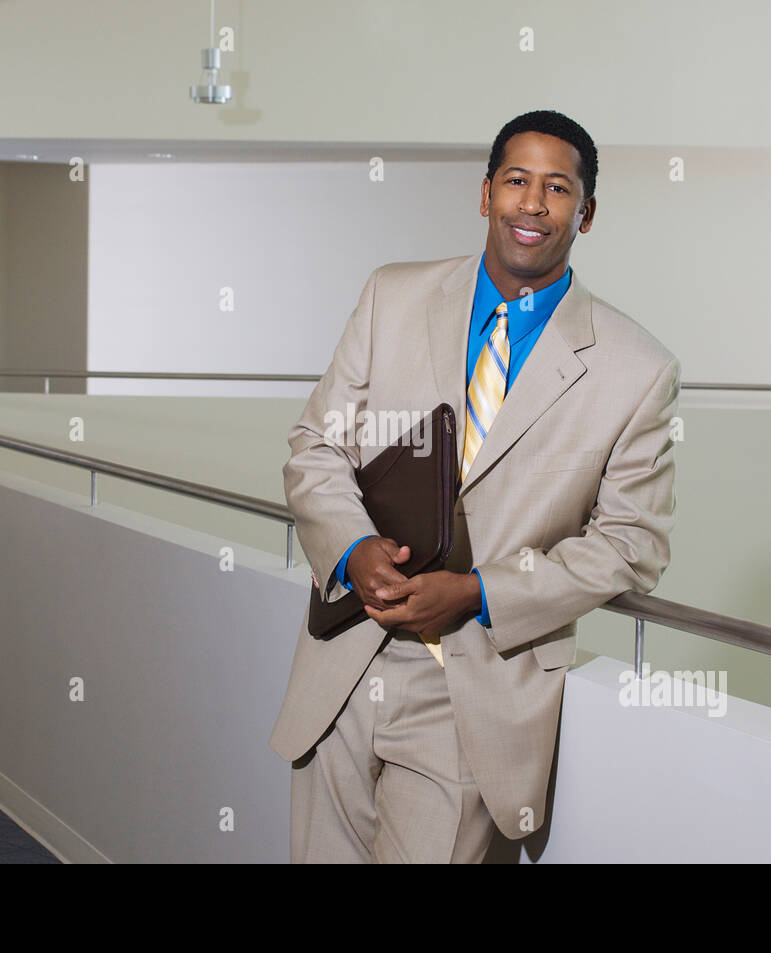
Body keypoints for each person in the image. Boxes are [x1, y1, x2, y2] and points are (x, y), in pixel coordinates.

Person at [269, 109, 681, 863]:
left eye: (558, 188)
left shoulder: (636, 368)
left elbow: (633, 543)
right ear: (484, 192)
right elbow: (315, 445)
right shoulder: (391, 296)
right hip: (345, 661)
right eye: (516, 180)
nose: (533, 203)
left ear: (585, 214)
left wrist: (476, 592)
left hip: (474, 689)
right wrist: (354, 546)